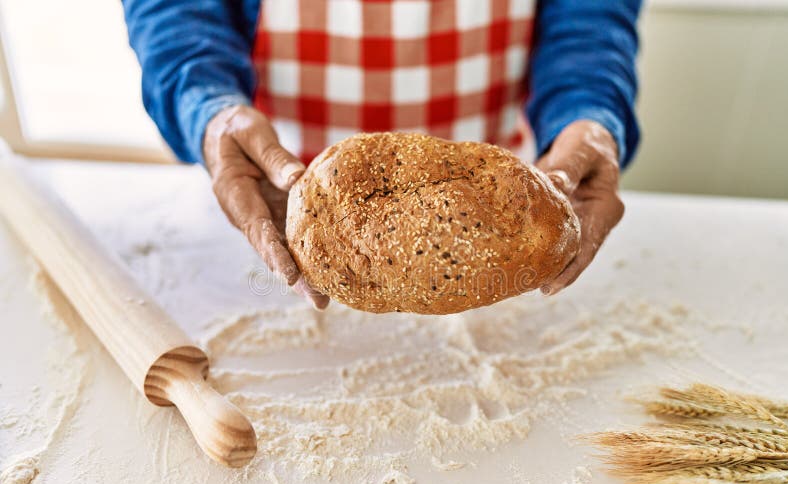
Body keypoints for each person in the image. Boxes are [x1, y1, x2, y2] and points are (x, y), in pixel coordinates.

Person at [123, 0, 641, 310]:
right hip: (264, 188)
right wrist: (209, 109)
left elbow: (589, 15)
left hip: (513, 199)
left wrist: (588, 112)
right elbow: (176, 11)